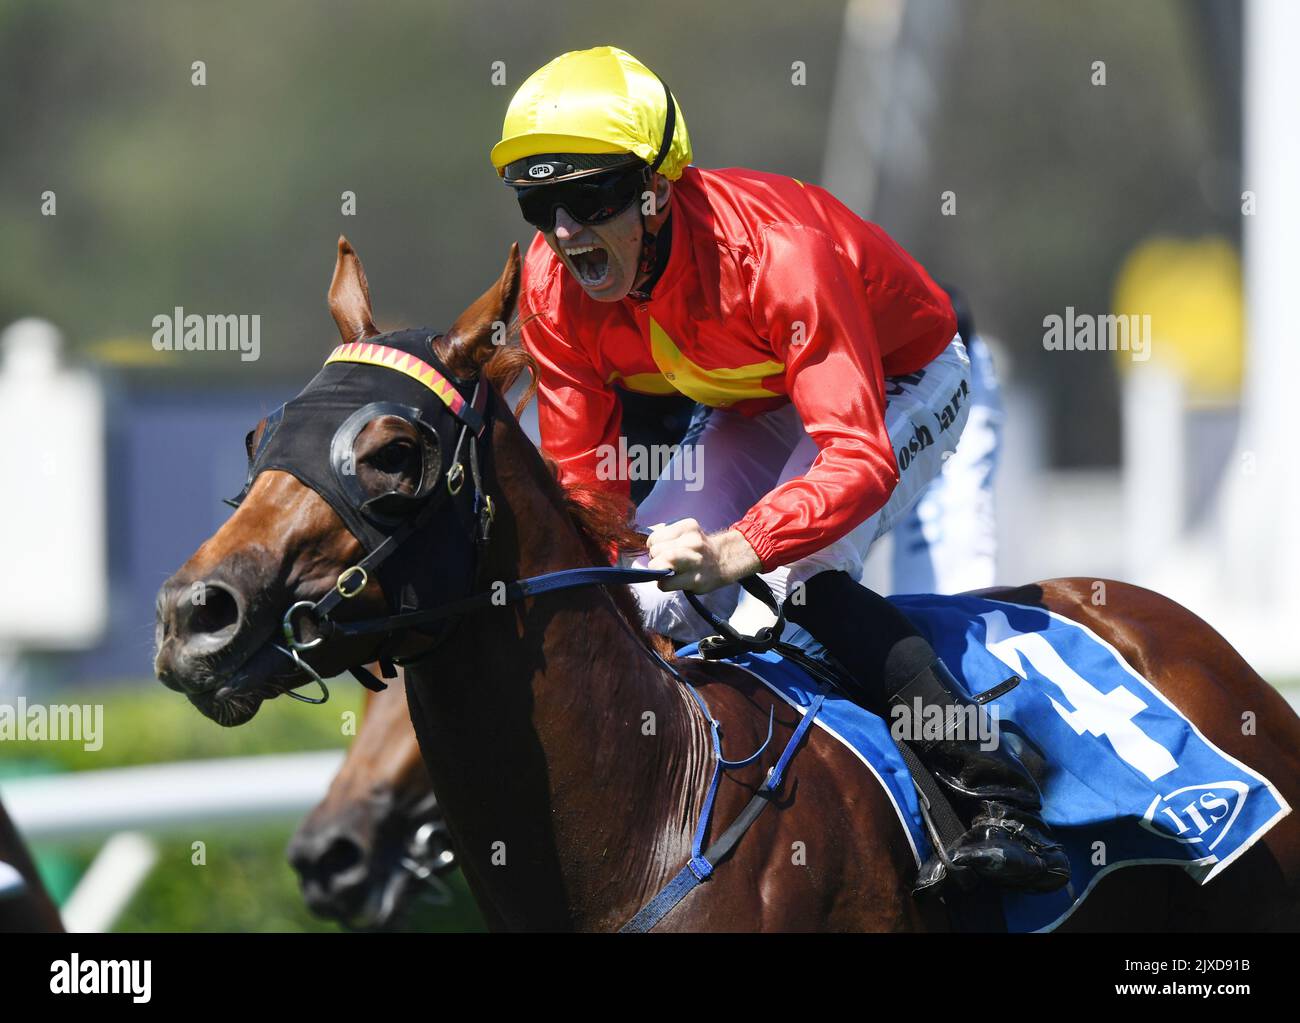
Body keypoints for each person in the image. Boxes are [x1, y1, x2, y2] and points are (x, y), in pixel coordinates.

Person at [491, 46, 1066, 893]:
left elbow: (859, 458)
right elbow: (590, 498)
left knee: (802, 575)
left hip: (902, 379)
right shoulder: (551, 286)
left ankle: (999, 798)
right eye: (542, 203)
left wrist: (738, 548)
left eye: (591, 197)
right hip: (757, 395)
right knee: (647, 591)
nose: (567, 232)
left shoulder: (779, 254)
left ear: (655, 189)